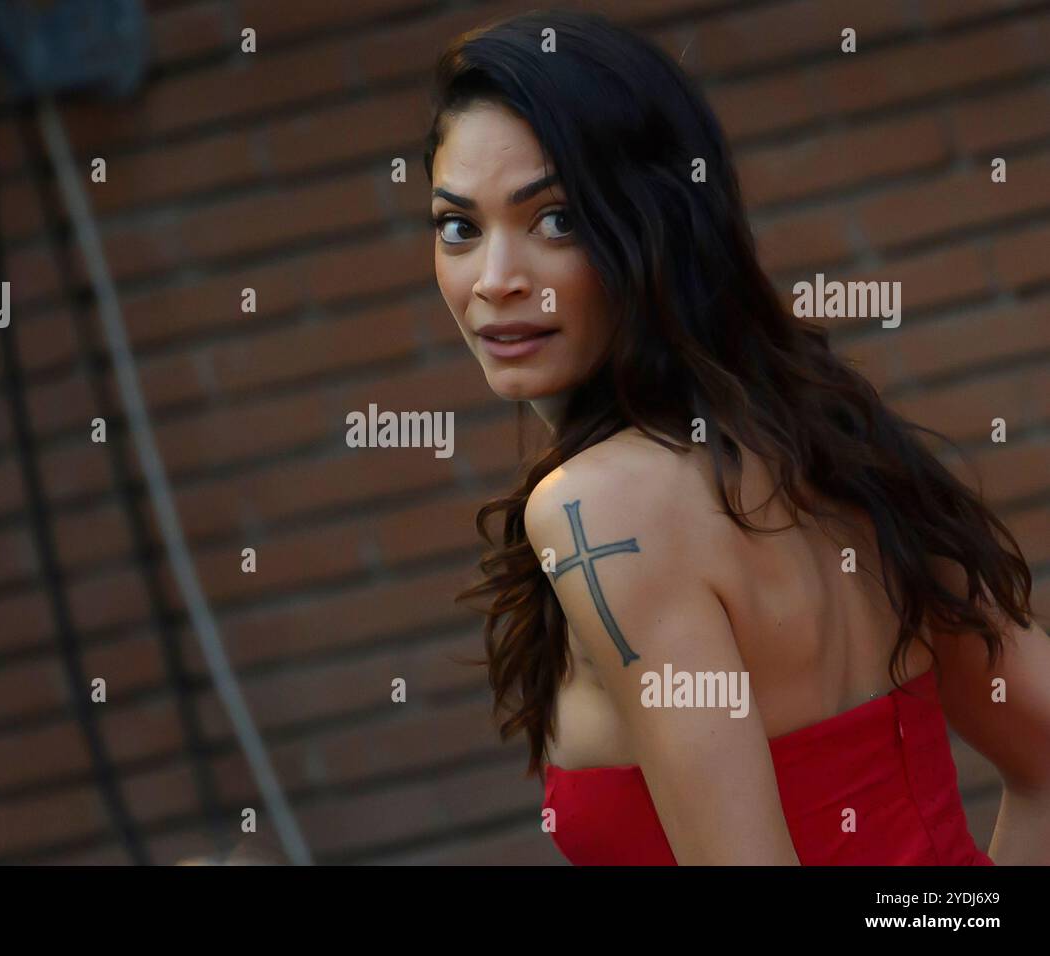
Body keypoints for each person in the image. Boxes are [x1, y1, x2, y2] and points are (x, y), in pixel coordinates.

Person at [425, 8, 1050, 865]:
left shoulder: (600, 506)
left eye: (557, 219)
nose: (494, 280)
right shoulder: (827, 435)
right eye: (459, 226)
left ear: (655, 223)